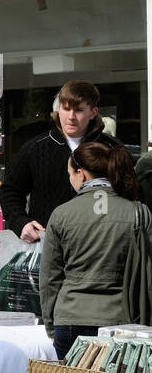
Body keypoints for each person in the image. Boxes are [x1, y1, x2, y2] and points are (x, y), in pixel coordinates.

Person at [41, 141, 152, 361]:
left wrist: (52, 327)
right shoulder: (139, 212)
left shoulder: (61, 214)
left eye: (70, 173)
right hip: (123, 320)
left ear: (81, 174)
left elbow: (49, 278)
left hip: (71, 317)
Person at [1, 80, 123, 243]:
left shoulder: (112, 148)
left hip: (101, 244)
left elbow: (129, 192)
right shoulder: (35, 148)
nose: (71, 117)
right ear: (58, 109)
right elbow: (10, 191)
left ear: (93, 112)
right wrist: (21, 223)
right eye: (66, 109)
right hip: (48, 243)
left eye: (79, 110)